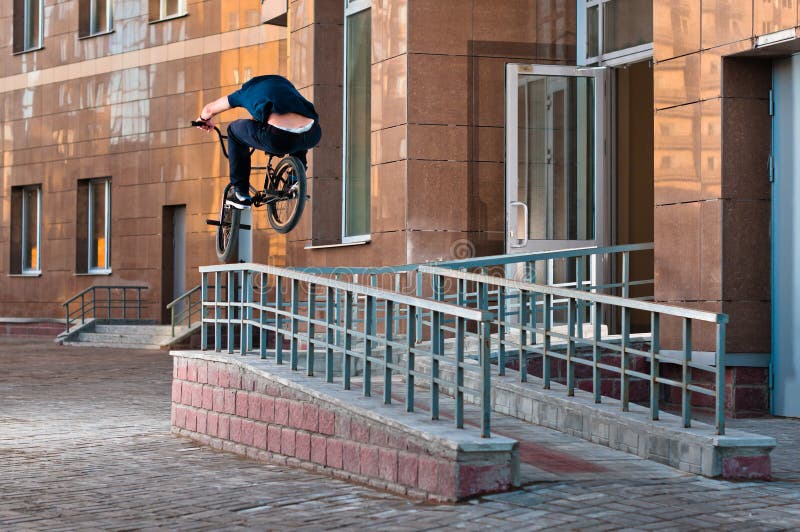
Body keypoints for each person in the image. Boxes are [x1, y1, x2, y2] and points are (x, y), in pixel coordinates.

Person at [195, 75, 322, 209]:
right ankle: (294, 179)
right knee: (297, 134)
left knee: (233, 130)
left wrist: (202, 119)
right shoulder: (285, 85)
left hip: (278, 138)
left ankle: (240, 192)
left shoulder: (246, 92)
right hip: (313, 134)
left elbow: (209, 109)